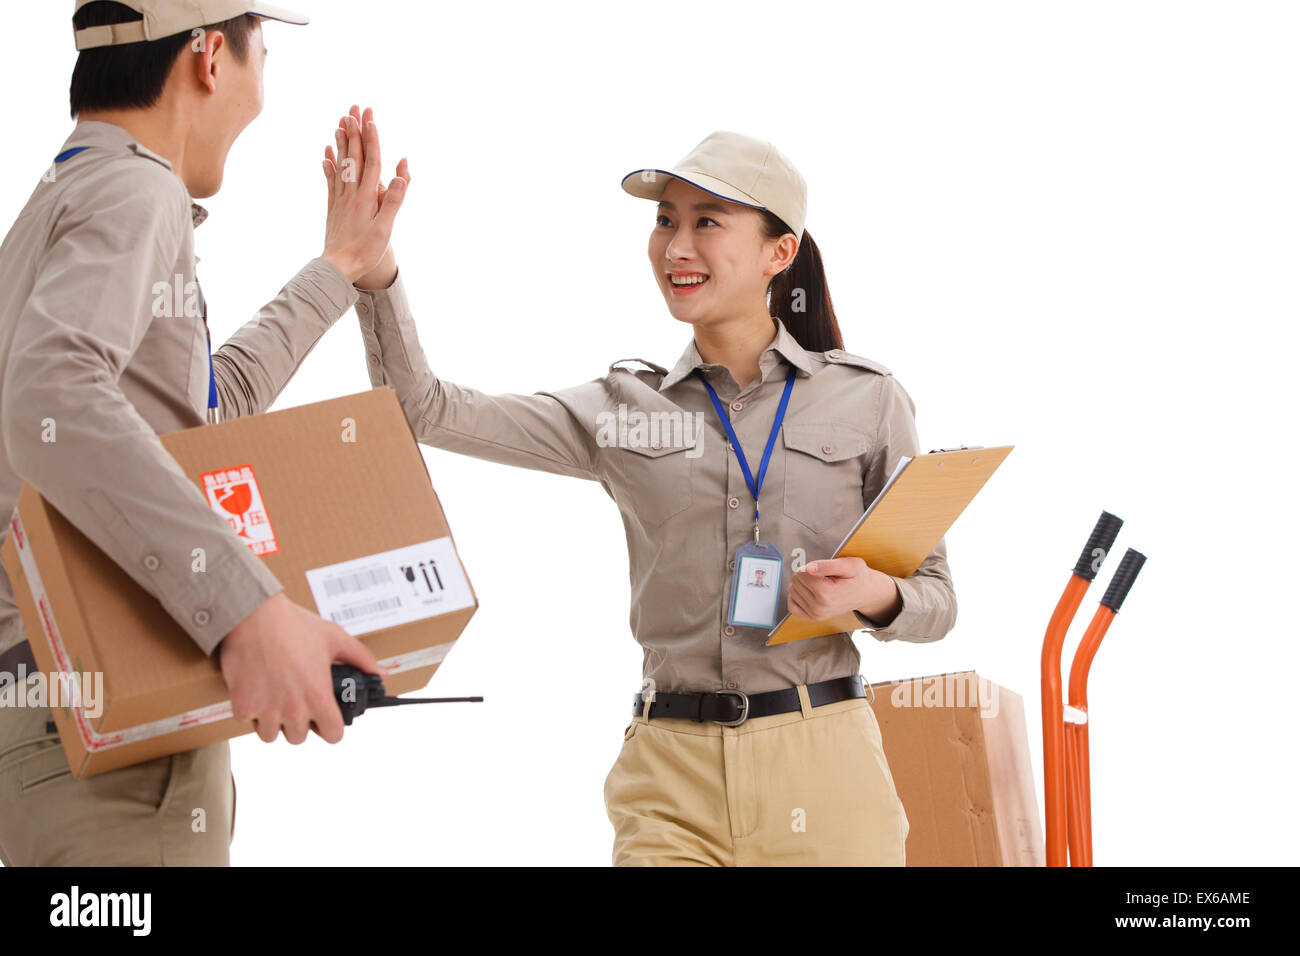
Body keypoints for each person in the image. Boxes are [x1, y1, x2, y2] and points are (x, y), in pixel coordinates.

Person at [340, 127, 957, 865]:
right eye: (665, 220)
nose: (675, 247)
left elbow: (937, 600)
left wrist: (873, 596)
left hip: (824, 768)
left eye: (706, 222)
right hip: (669, 775)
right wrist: (373, 272)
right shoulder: (623, 407)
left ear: (779, 253)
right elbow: (425, 409)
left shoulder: (867, 399)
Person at [0, 0, 409, 866]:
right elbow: (55, 398)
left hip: (56, 721)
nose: (260, 92)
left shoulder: (66, 198)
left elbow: (198, 417)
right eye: (262, 56)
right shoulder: (139, 188)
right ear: (209, 58)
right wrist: (247, 612)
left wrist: (337, 270)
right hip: (107, 742)